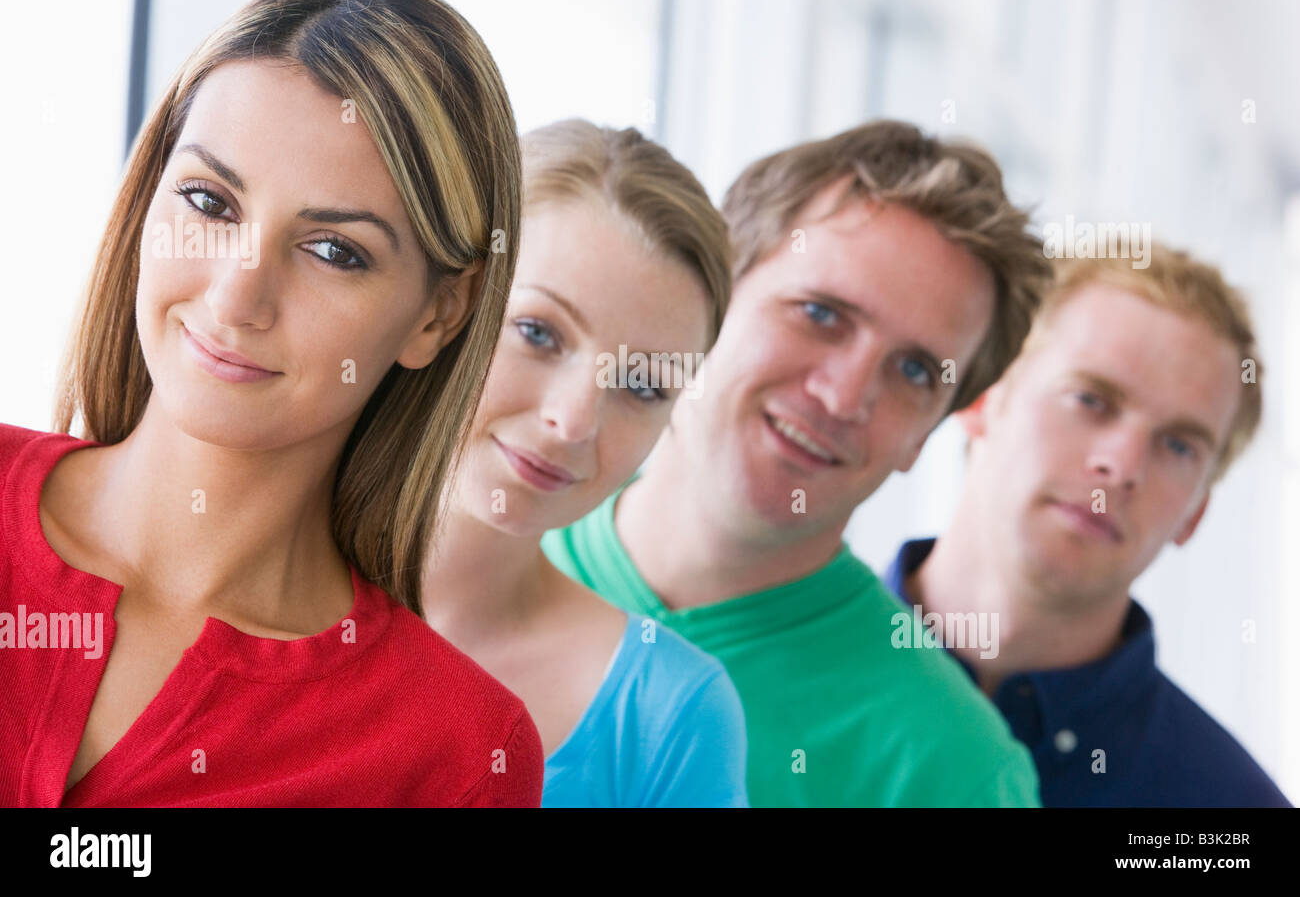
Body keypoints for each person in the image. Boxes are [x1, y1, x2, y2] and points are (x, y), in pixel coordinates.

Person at [0, 0, 542, 806]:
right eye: (208, 201)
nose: (234, 298)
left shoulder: (456, 755)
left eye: (334, 251)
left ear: (439, 314)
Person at [543, 119, 1054, 806]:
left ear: (925, 437)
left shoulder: (952, 771)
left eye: (912, 370)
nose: (843, 396)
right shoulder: (450, 549)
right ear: (712, 298)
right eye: (819, 313)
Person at [883, 245, 1291, 806]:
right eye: (1090, 399)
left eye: (1177, 445)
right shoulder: (755, 673)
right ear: (981, 396)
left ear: (1195, 512)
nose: (1122, 466)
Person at [421, 119, 748, 807]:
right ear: (447, 304)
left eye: (641, 387)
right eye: (538, 333)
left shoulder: (672, 715)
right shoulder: (232, 576)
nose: (573, 422)